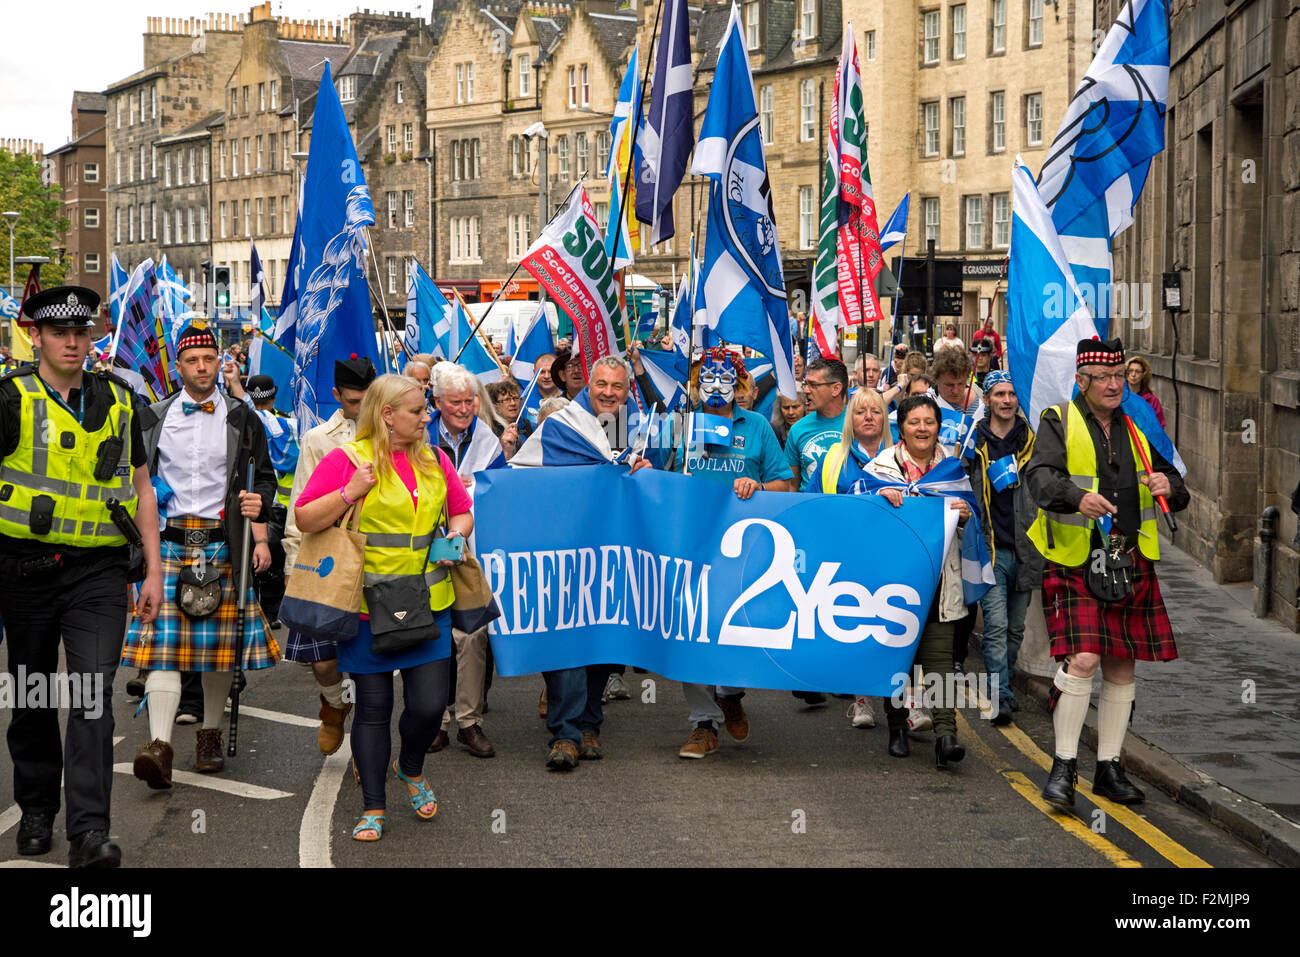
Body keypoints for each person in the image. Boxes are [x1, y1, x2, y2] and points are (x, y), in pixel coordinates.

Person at [0, 286, 164, 868]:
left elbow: (142, 490)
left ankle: (90, 833)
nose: (73, 342)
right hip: (24, 571)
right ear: (37, 336)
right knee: (33, 695)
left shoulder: (119, 400)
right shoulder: (10, 398)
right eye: (60, 333)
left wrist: (154, 569)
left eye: (82, 333)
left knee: (92, 697)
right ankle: (38, 808)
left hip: (98, 572)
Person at [294, 374, 474, 842]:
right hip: (366, 609)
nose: (427, 416)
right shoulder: (346, 459)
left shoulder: (436, 460)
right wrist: (349, 492)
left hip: (429, 604)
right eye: (417, 411)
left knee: (431, 707)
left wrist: (458, 532)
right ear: (387, 415)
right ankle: (373, 806)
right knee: (374, 708)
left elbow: (461, 509)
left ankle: (410, 768)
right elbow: (305, 516)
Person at [1025, 337, 1188, 808]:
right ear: (1082, 381)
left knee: (1121, 663)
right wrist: (1076, 497)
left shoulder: (1139, 424)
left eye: (1120, 375)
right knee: (1084, 660)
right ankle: (1063, 767)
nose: (1116, 384)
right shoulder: (1058, 419)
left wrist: (1168, 484)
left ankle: (1109, 769)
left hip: (1128, 555)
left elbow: (1177, 486)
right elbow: (1039, 478)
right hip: (1077, 556)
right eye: (1105, 377)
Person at [121, 324, 279, 789]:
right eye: (193, 360)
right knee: (163, 650)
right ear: (179, 366)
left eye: (210, 358)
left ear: (220, 362)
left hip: (222, 543)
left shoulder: (243, 419)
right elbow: (135, 481)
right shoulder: (151, 417)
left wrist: (259, 508)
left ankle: (209, 734)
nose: (203, 367)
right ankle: (159, 746)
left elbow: (264, 477)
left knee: (217, 653)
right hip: (168, 544)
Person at [511, 355, 651, 769]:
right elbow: (521, 473)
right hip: (565, 554)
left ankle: (591, 723)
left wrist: (642, 470)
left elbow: (651, 482)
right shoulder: (560, 426)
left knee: (604, 641)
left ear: (628, 391)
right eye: (602, 384)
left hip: (613, 554)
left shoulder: (633, 429)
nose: (609, 393)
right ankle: (565, 733)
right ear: (589, 385)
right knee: (568, 642)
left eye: (618, 387)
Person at [674, 349, 792, 759]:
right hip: (692, 546)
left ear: (740, 384)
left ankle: (730, 693)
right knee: (693, 626)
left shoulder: (757, 426)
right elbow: (650, 475)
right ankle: (703, 724)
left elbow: (786, 484)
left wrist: (758, 487)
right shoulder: (680, 427)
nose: (716, 386)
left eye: (726, 378)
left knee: (734, 625)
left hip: (744, 552)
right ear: (695, 382)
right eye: (707, 377)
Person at [867, 394, 973, 768]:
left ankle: (946, 735)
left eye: (930, 422)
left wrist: (963, 515)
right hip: (894, 585)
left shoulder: (952, 468)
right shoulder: (880, 467)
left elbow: (969, 517)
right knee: (900, 659)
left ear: (938, 428)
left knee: (941, 661)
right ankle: (897, 725)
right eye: (915, 422)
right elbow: (857, 505)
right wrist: (880, 497)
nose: (923, 428)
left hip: (942, 581)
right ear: (902, 427)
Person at [281, 356, 376, 757]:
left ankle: (368, 749)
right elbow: (298, 505)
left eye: (368, 399)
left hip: (374, 561)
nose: (361, 408)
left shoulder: (391, 433)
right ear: (337, 396)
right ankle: (334, 706)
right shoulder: (319, 439)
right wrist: (292, 566)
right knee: (323, 662)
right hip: (326, 559)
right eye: (353, 401)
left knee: (369, 666)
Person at [427, 363, 506, 758]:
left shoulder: (488, 440)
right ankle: (434, 721)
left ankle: (469, 721)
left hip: (471, 549)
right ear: (437, 401)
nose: (464, 408)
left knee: (472, 633)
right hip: (421, 550)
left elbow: (500, 493)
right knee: (433, 634)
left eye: (470, 401)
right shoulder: (417, 434)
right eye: (455, 402)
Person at [809, 387, 895, 731]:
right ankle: (862, 700)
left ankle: (910, 702)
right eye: (860, 412)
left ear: (885, 417)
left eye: (875, 410)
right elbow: (814, 502)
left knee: (897, 629)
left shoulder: (901, 455)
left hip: (893, 557)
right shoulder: (833, 458)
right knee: (860, 628)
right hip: (849, 559)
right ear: (850, 419)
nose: (869, 417)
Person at [967, 371, 1040, 725]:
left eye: (1012, 394)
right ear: (987, 400)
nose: (1007, 400)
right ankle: (1001, 695)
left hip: (1026, 548)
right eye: (999, 394)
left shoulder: (1033, 442)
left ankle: (1003, 684)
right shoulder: (972, 441)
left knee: (1015, 630)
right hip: (989, 548)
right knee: (995, 626)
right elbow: (956, 482)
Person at [225, 372, 298, 626]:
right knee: (272, 563)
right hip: (279, 507)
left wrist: (235, 383)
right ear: (275, 395)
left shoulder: (237, 420)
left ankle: (253, 610)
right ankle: (272, 613)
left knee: (247, 558)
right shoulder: (289, 426)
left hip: (245, 503)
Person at [930, 346, 984, 669]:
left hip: (968, 506)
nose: (954, 391)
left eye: (960, 384)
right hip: (934, 508)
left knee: (966, 582)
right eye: (949, 385)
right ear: (937, 381)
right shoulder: (927, 408)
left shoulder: (977, 412)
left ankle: (958, 658)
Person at [785, 357, 849, 491]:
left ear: (836, 389)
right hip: (809, 508)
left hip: (848, 506)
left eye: (813, 385)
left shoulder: (859, 424)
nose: (806, 390)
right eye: (805, 384)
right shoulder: (797, 429)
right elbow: (791, 486)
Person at [1125, 355, 1166, 427]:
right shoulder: (1119, 396)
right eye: (1130, 370)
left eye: (1137, 372)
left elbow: (1159, 426)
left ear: (1143, 374)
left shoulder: (1152, 400)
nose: (1133, 374)